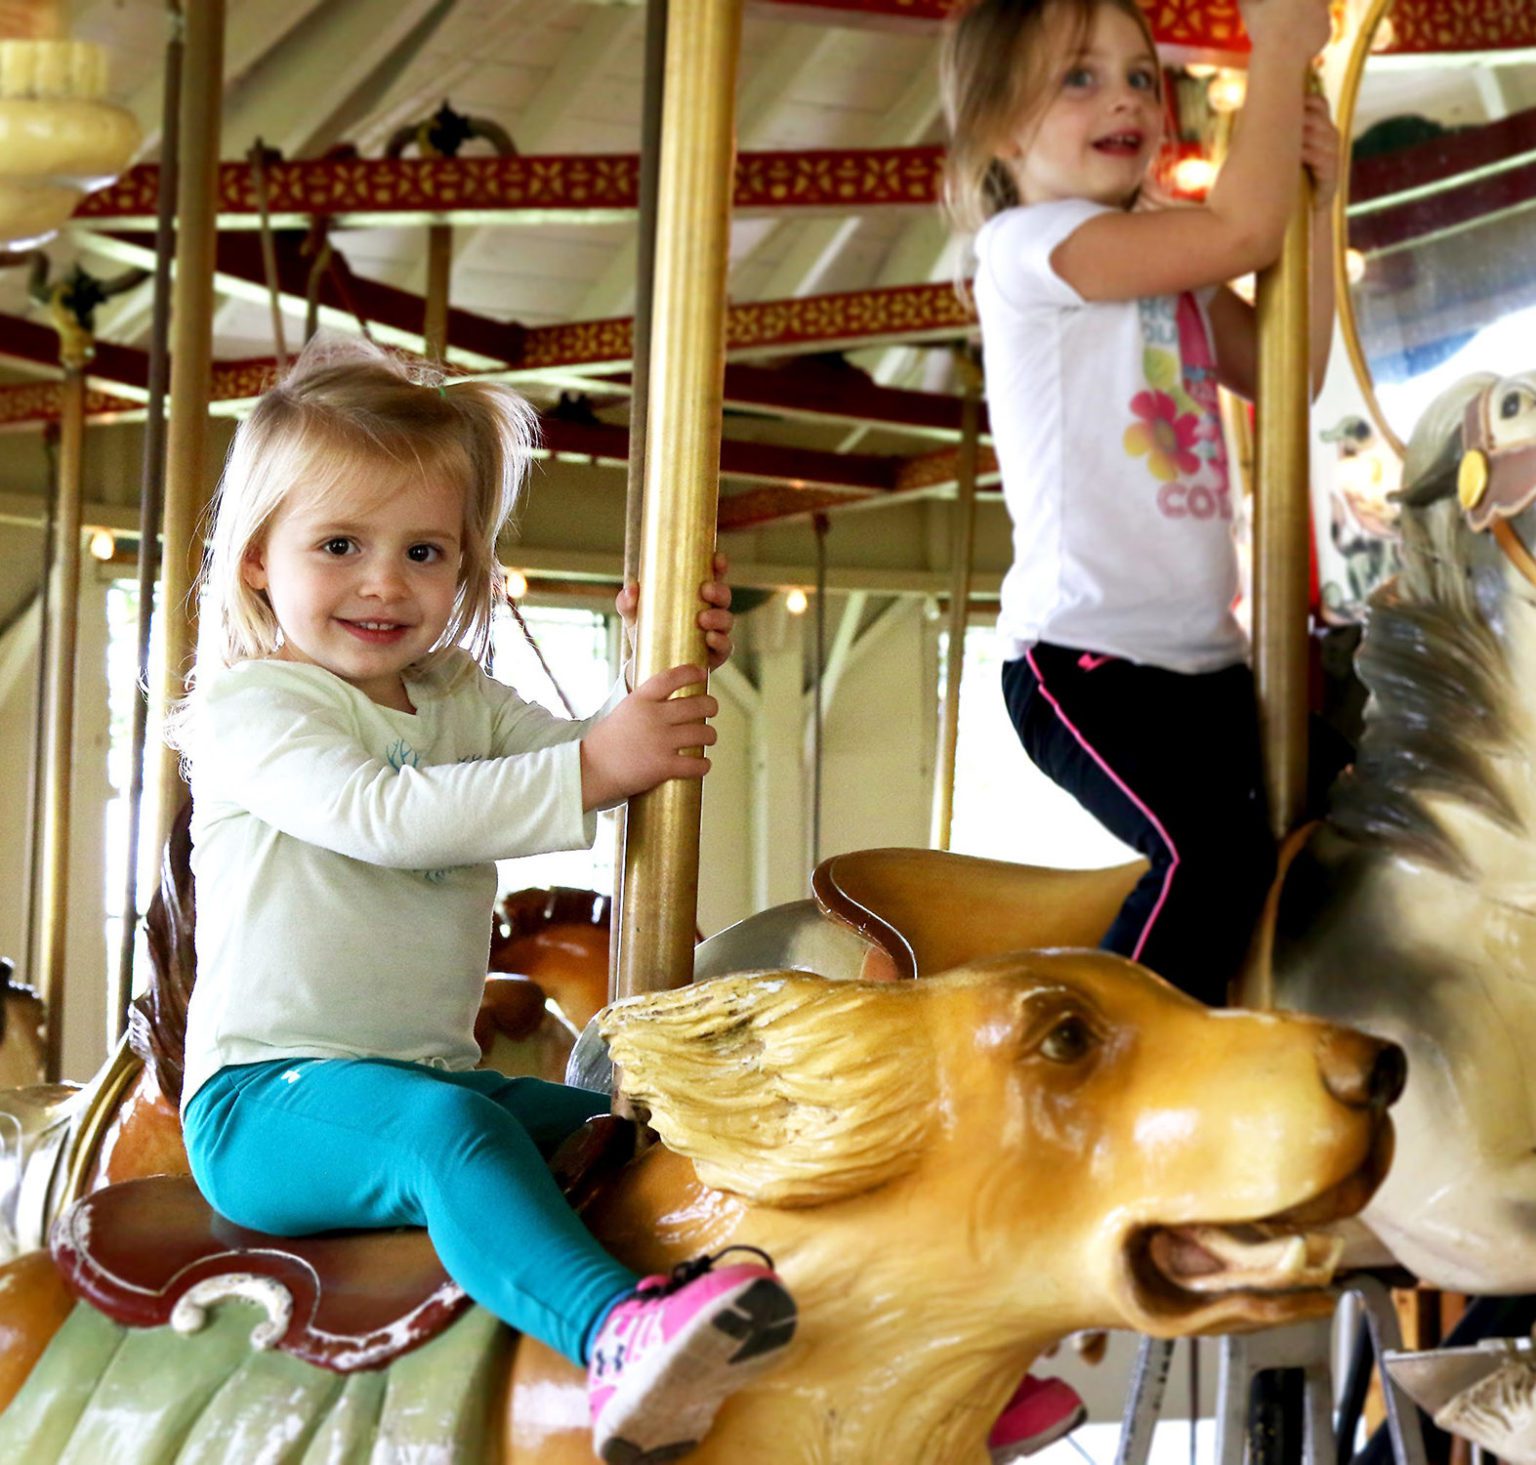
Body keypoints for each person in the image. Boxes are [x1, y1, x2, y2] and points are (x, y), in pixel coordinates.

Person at [169, 336, 794, 1464]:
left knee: (652, 1131)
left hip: (426, 1078)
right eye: (341, 545)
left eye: (425, 550)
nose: (385, 581)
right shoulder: (253, 708)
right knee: (448, 1133)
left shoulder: (458, 692)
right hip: (266, 1105)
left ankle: (872, 1336)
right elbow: (383, 814)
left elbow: (588, 758)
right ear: (260, 558)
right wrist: (604, 760)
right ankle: (615, 1339)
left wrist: (661, 669)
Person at [940, 0, 1338, 1456]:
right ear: (999, 130)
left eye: (1145, 76)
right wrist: (1279, 57)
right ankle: (1086, 1122)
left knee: (1306, 867)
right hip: (1087, 663)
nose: (1127, 98)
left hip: (1205, 661)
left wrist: (1322, 181)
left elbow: (1277, 367)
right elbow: (1235, 238)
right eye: (1079, 80)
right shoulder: (1036, 248)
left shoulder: (1154, 255)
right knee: (1207, 857)